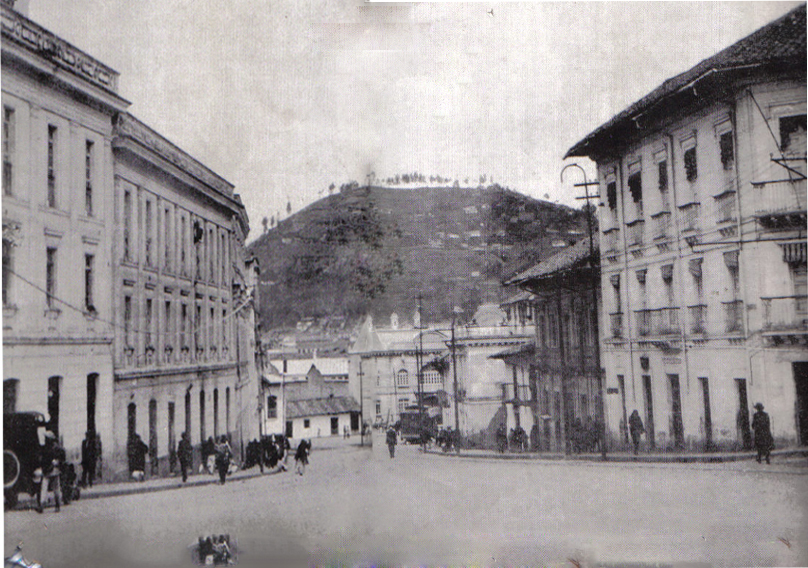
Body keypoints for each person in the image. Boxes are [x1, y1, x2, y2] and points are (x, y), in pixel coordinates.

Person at [37, 431, 64, 513]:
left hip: (53, 470)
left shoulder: (55, 448)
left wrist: (57, 462)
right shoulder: (47, 448)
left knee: (54, 489)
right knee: (46, 488)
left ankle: (56, 504)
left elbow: (62, 458)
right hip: (48, 470)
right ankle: (43, 505)